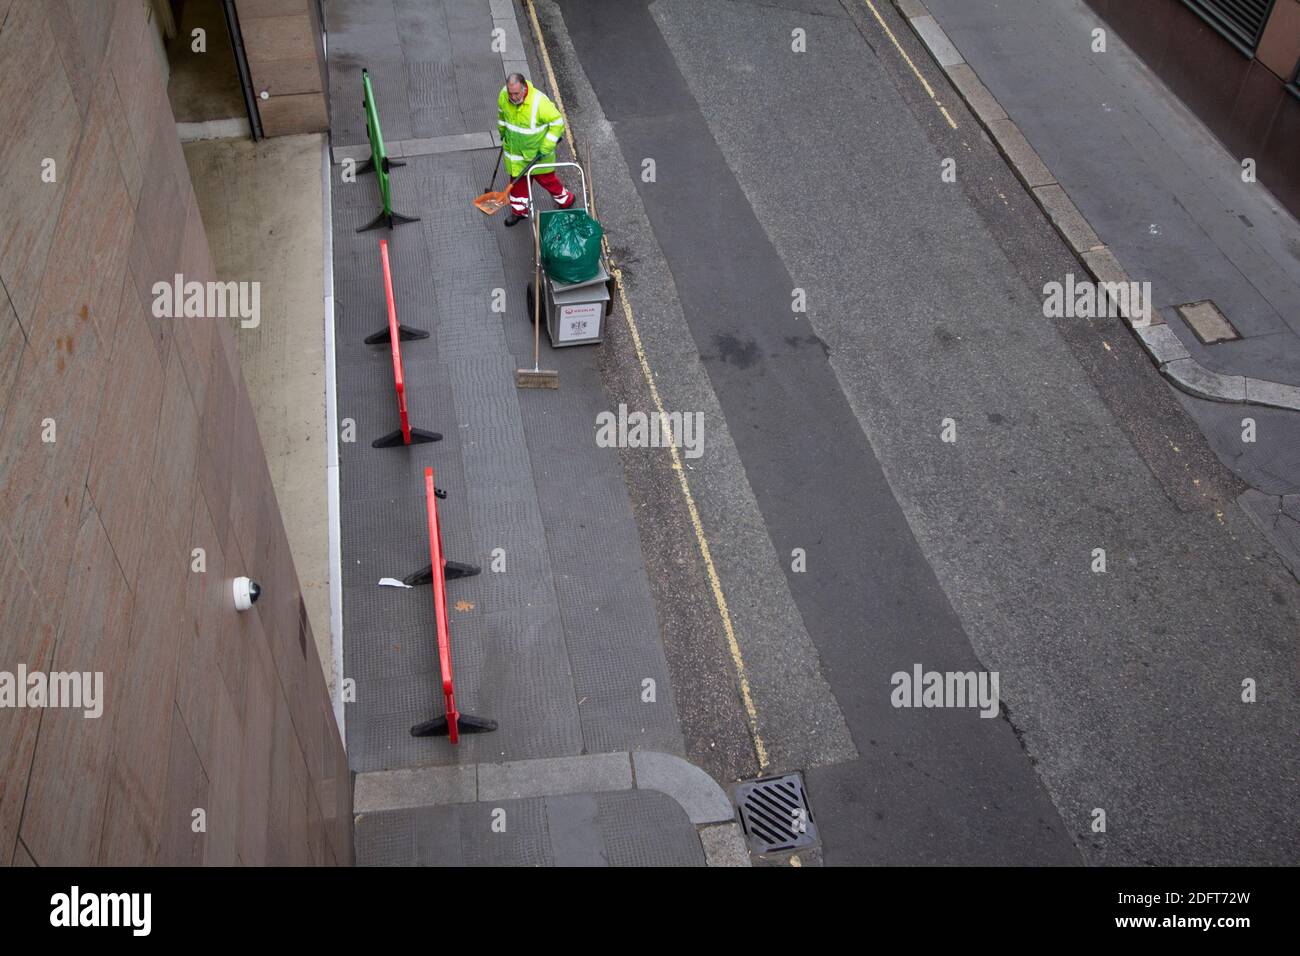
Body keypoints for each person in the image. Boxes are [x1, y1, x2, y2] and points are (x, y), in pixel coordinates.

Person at [497, 72, 574, 226]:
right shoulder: (504, 96)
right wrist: (503, 133)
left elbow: (557, 122)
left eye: (516, 93)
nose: (512, 97)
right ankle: (519, 212)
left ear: (524, 88)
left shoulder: (540, 103)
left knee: (547, 181)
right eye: (510, 93)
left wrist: (546, 146)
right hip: (516, 156)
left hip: (538, 155)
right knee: (517, 185)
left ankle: (566, 200)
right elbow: (502, 117)